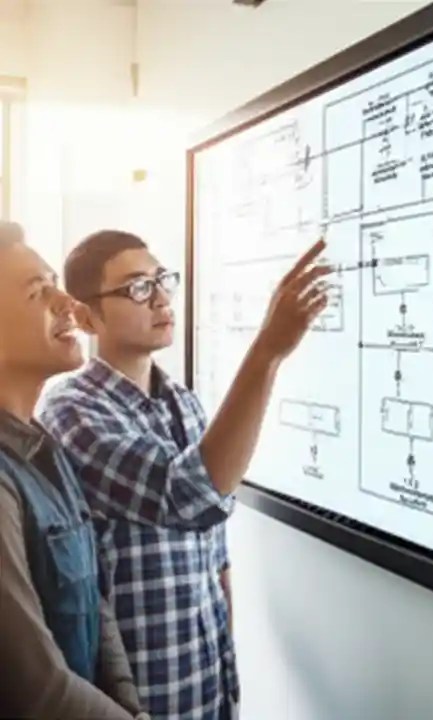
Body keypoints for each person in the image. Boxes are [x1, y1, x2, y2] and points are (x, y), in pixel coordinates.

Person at [39, 229, 331, 720]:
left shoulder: (183, 401)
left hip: (208, 685)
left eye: (161, 281)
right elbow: (188, 496)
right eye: (136, 287)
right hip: (143, 696)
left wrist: (226, 660)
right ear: (87, 317)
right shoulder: (72, 410)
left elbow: (216, 554)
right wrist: (267, 352)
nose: (160, 299)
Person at [0, 221, 148, 720]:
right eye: (39, 291)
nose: (68, 303)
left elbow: (93, 599)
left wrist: (131, 706)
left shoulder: (46, 450)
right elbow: (37, 688)